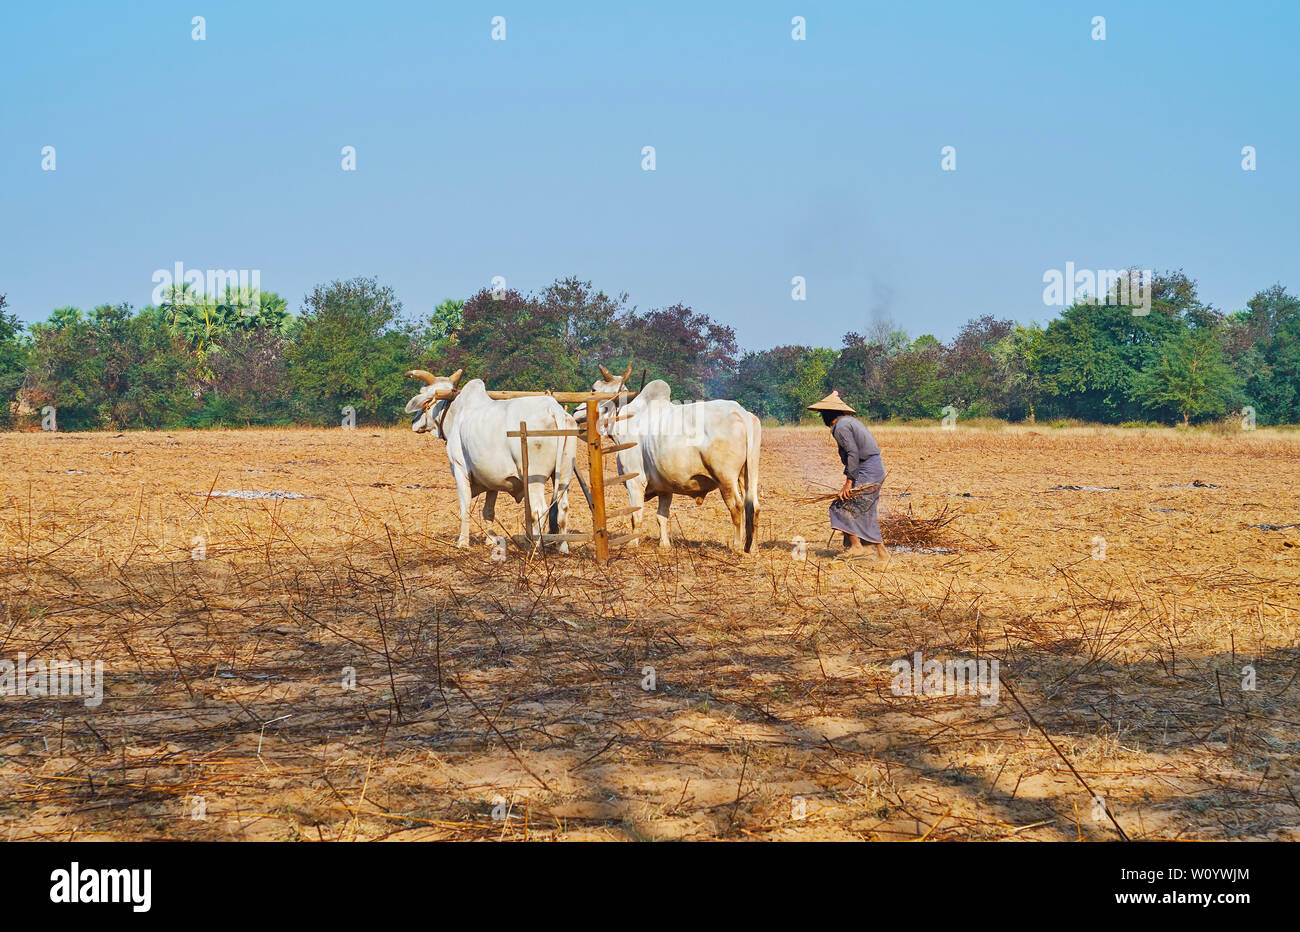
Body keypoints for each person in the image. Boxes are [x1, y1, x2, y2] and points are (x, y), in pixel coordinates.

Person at [807, 391, 889, 563]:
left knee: (842, 506)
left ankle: (857, 547)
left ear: (827, 414)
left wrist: (849, 482)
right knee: (864, 510)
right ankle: (879, 554)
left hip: (868, 469)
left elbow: (852, 453)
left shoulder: (841, 427)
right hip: (874, 468)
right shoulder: (848, 422)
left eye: (822, 414)